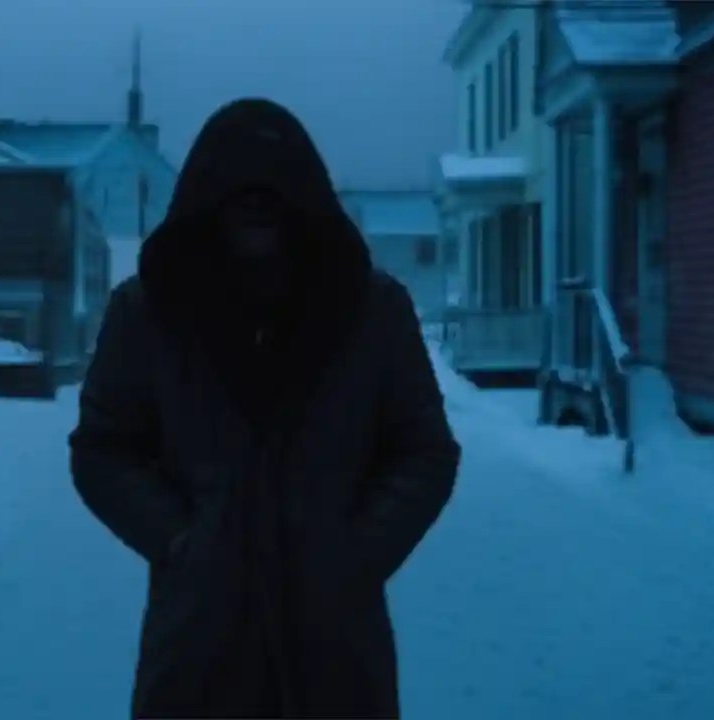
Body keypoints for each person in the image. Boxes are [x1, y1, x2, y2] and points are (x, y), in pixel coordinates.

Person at [69, 97, 461, 719]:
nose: (255, 207)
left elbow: (424, 449)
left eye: (273, 191)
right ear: (206, 199)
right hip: (199, 639)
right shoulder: (148, 314)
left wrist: (356, 552)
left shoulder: (372, 312)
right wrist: (178, 538)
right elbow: (103, 449)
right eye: (236, 191)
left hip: (334, 641)